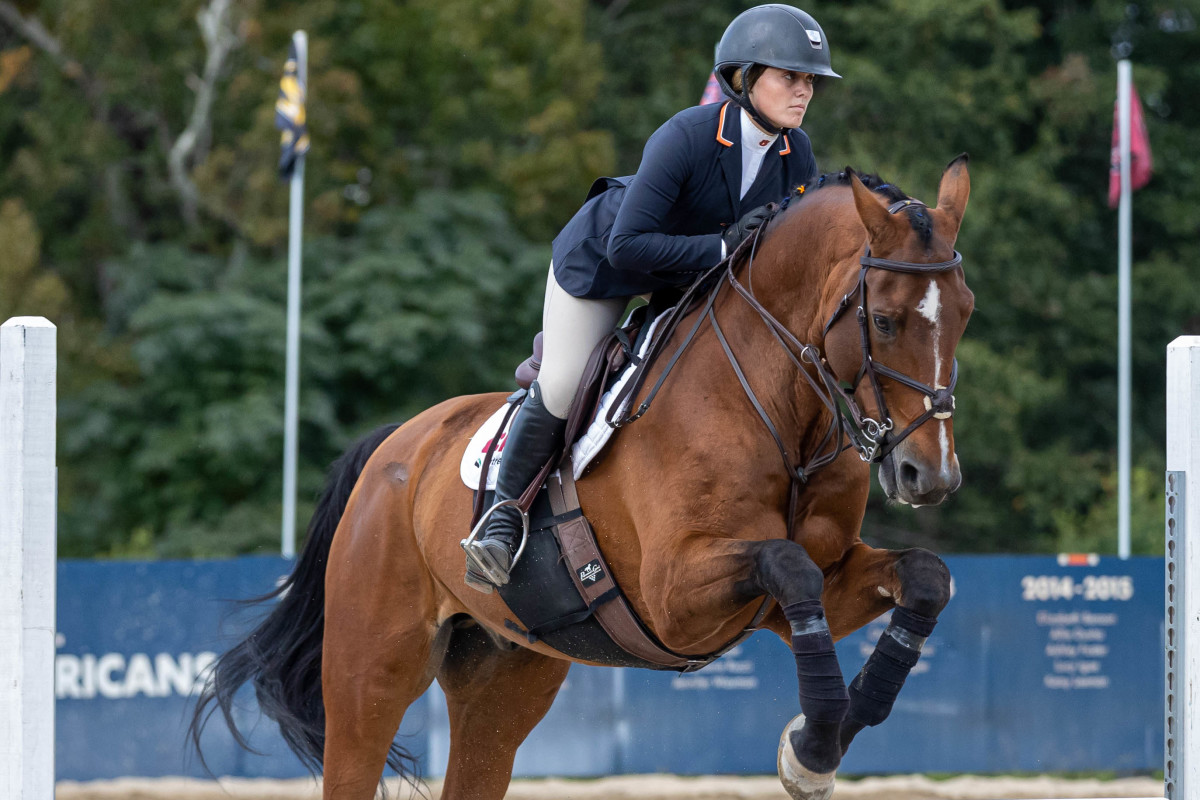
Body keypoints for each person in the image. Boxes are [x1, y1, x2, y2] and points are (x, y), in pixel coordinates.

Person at [464, 4, 841, 592]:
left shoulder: (798, 155)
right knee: (565, 382)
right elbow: (627, 246)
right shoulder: (687, 136)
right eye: (790, 77)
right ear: (743, 77)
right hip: (603, 267)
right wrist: (721, 248)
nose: (804, 92)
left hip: (685, 283)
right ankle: (502, 519)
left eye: (810, 80)